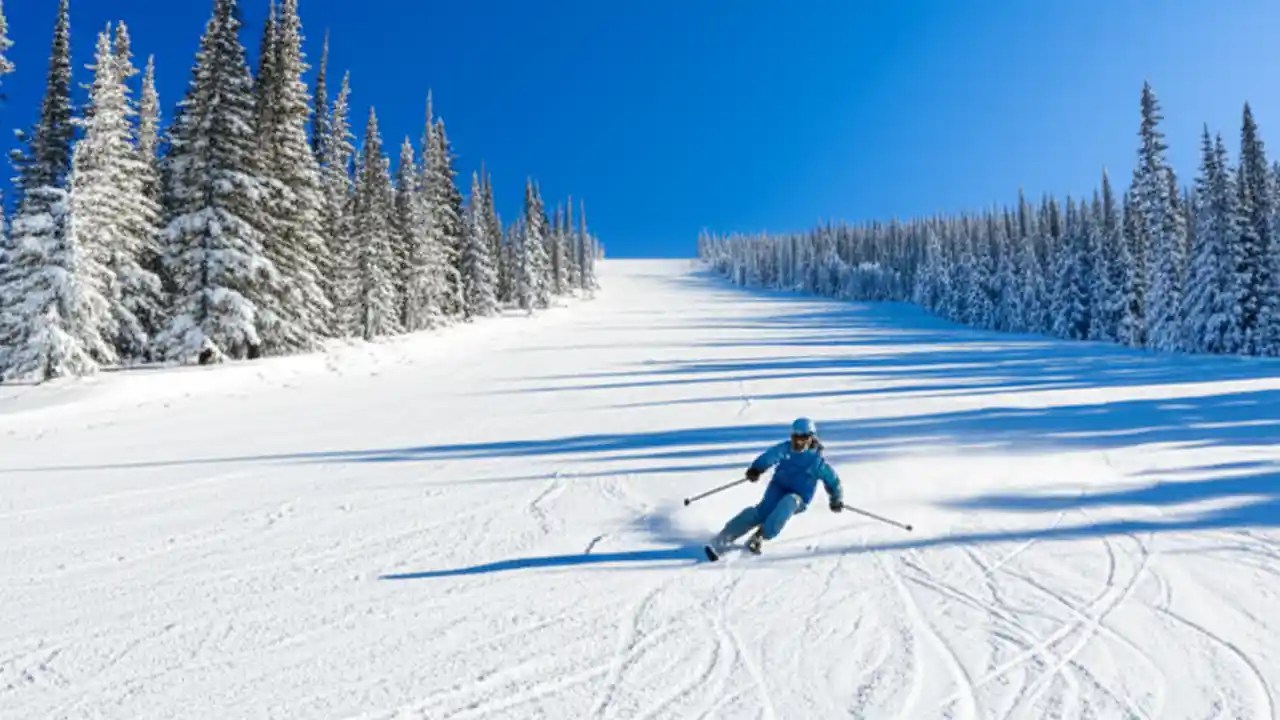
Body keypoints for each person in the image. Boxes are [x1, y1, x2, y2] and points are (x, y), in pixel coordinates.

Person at [705, 417, 844, 560]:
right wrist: (756, 469)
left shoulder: (817, 463)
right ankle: (722, 539)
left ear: (811, 438)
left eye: (802, 438)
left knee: (789, 502)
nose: (798, 442)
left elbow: (833, 481)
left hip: (799, 497)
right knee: (760, 512)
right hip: (778, 488)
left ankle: (759, 536)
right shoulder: (786, 449)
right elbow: (769, 457)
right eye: (795, 437)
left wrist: (836, 499)